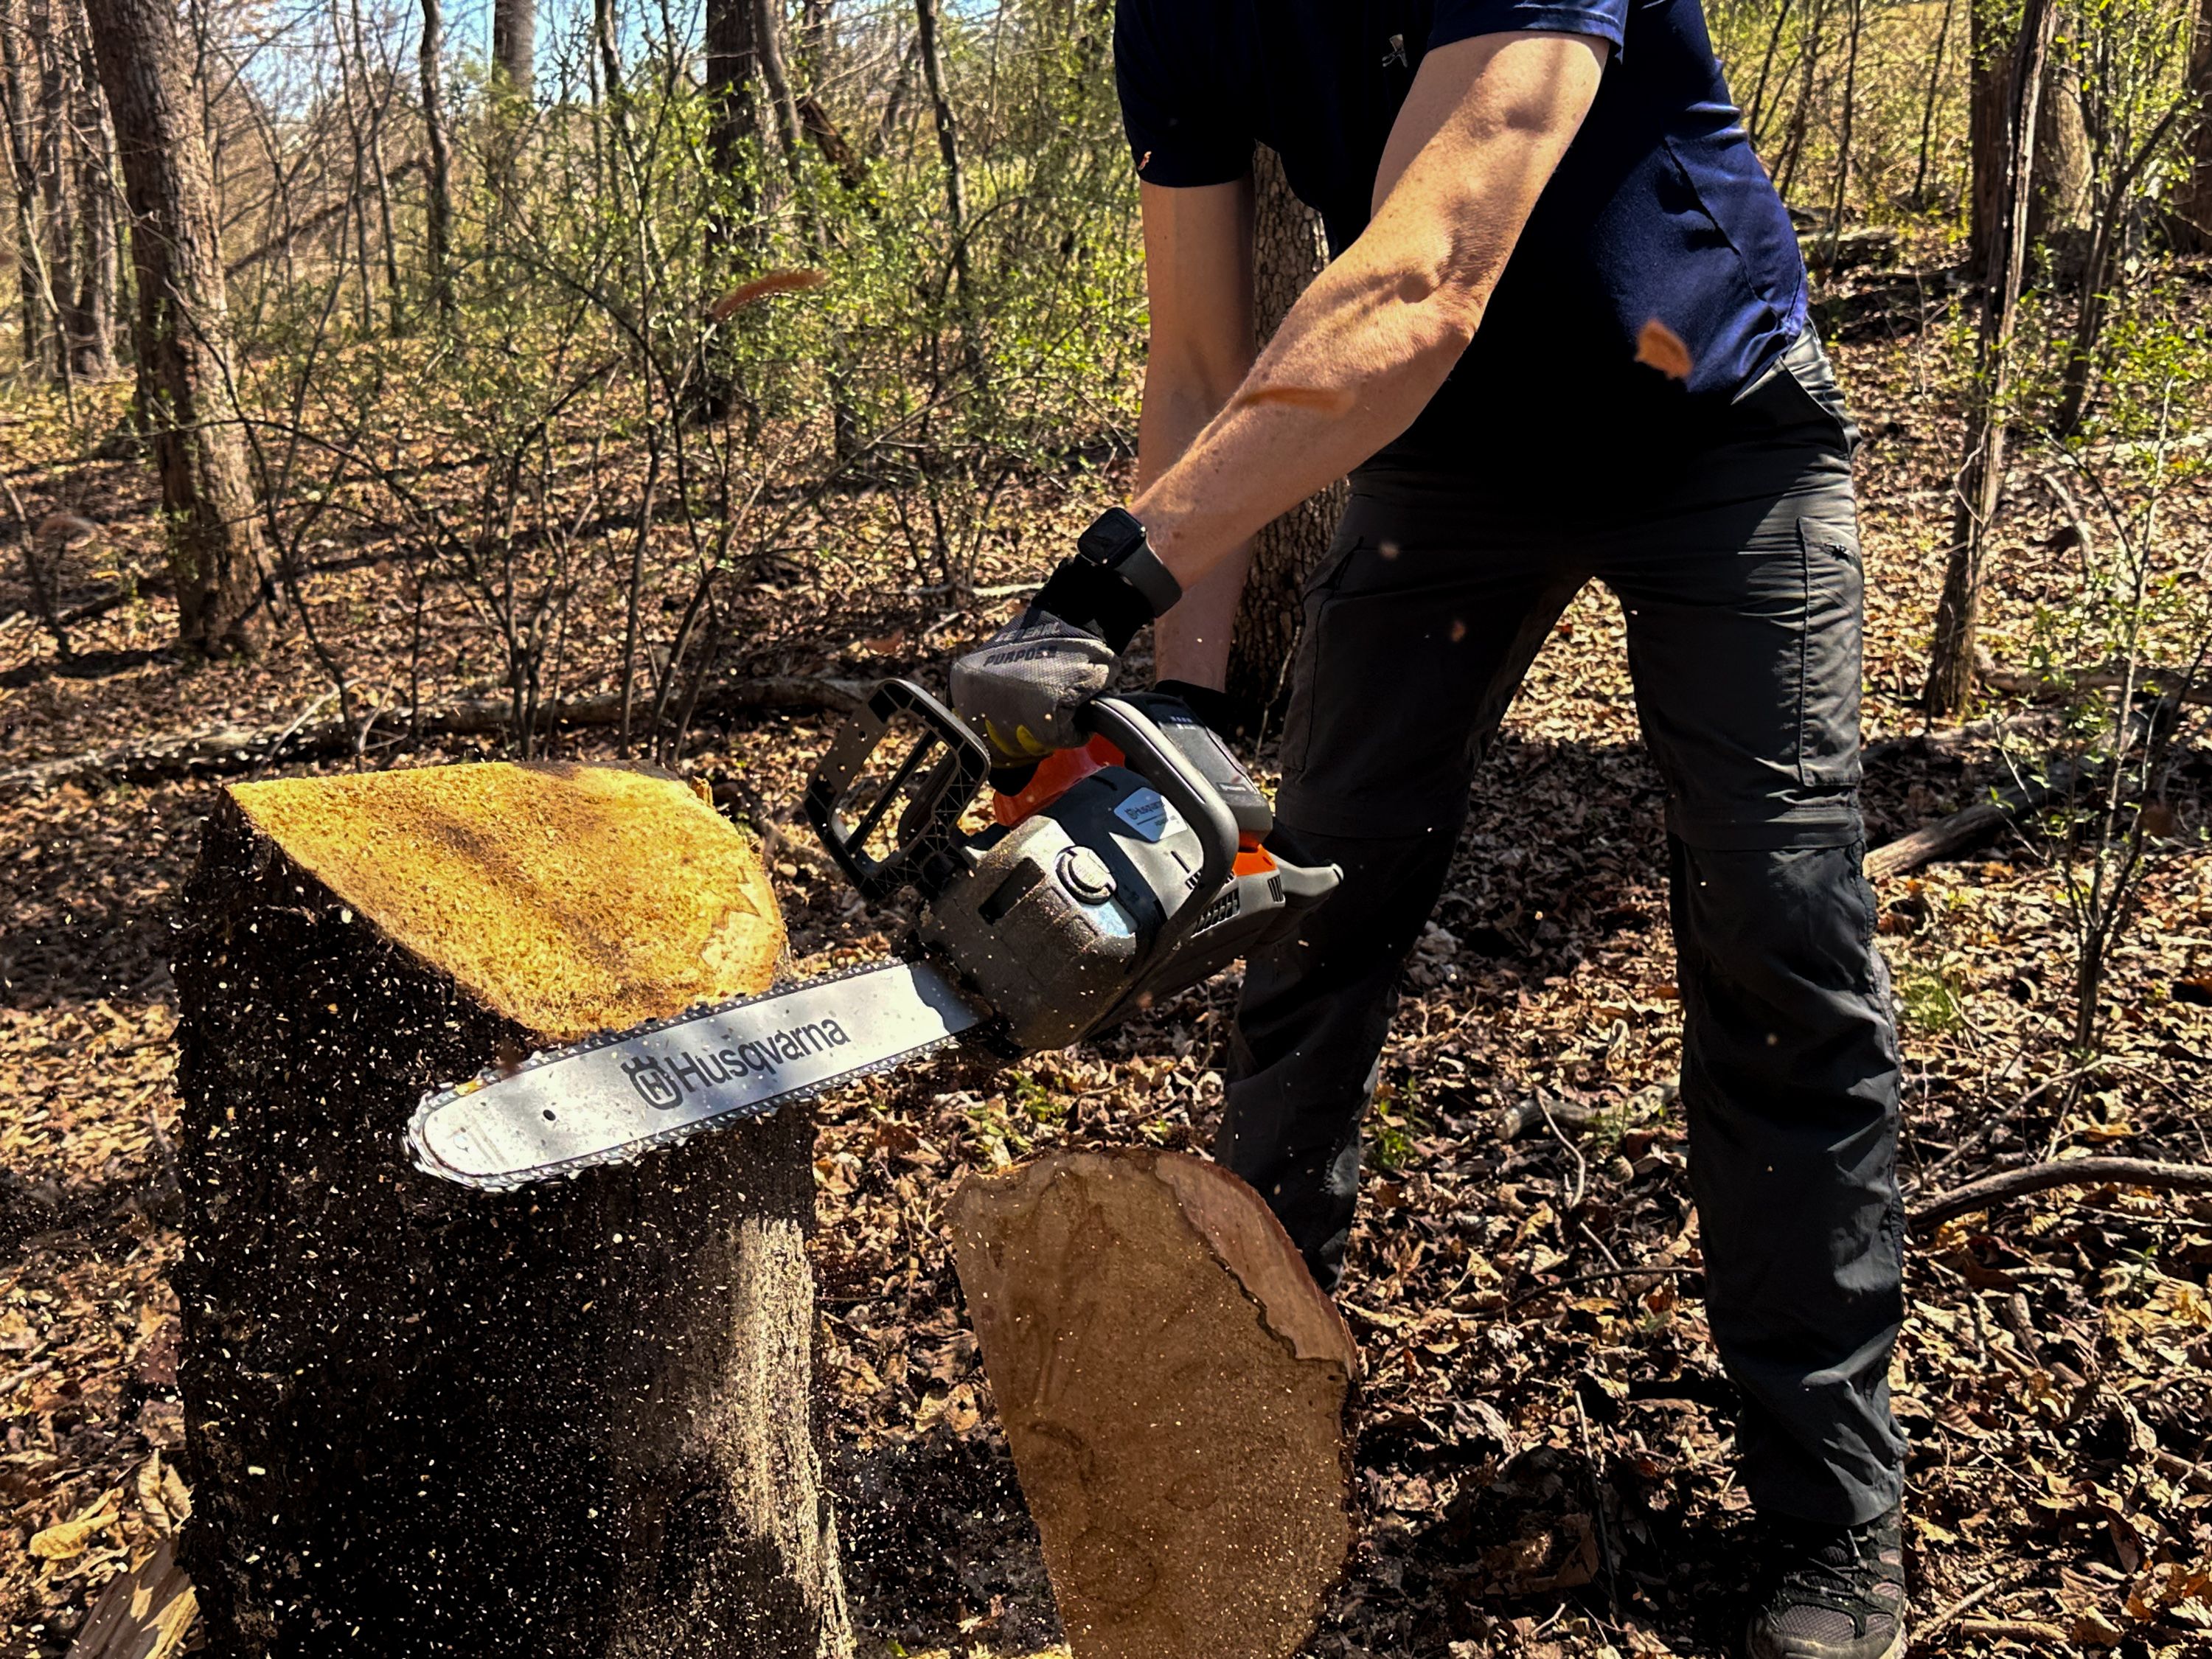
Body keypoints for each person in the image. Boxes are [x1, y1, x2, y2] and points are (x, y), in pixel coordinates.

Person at [948, 4, 1907, 1655]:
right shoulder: (1177, 18)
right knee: (1304, 910)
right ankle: (1243, 1395)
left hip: (1714, 431)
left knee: (1777, 923)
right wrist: (1174, 702)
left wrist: (1097, 583)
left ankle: (1834, 1516)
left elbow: (1430, 269)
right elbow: (1199, 365)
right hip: (1446, 467)